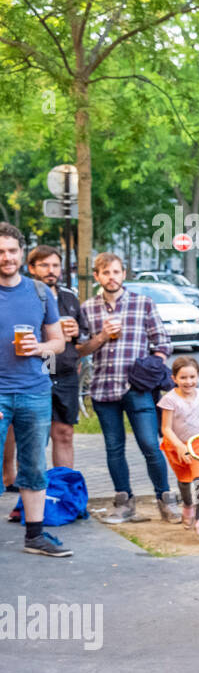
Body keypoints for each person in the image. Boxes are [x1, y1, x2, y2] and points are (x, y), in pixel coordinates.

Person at [79, 252, 180, 524]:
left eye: (116, 272)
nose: (112, 277)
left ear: (124, 274)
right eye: (106, 273)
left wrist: (151, 369)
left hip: (137, 389)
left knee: (150, 444)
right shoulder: (87, 308)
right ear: (97, 276)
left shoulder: (142, 303)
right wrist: (101, 336)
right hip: (103, 389)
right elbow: (80, 349)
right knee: (114, 448)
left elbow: (163, 344)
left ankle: (165, 499)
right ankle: (124, 502)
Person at [0, 223, 71, 555]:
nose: (6, 257)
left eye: (12, 250)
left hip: (35, 391)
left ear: (20, 253)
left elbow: (59, 342)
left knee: (33, 466)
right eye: (0, 252)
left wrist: (39, 347)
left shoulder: (40, 292)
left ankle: (35, 536)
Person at [27, 246, 86, 470]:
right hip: (34, 372)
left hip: (65, 374)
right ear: (31, 268)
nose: (51, 271)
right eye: (44, 265)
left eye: (55, 266)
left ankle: (63, 490)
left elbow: (83, 335)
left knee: (65, 433)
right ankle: (31, 491)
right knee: (34, 437)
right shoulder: (24, 294)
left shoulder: (69, 296)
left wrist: (76, 331)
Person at [157, 356, 199, 538]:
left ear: (198, 376)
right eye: (183, 378)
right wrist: (179, 446)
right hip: (177, 445)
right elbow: (166, 428)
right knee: (185, 481)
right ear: (174, 378)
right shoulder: (170, 400)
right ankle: (187, 505)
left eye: (192, 377)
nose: (188, 382)